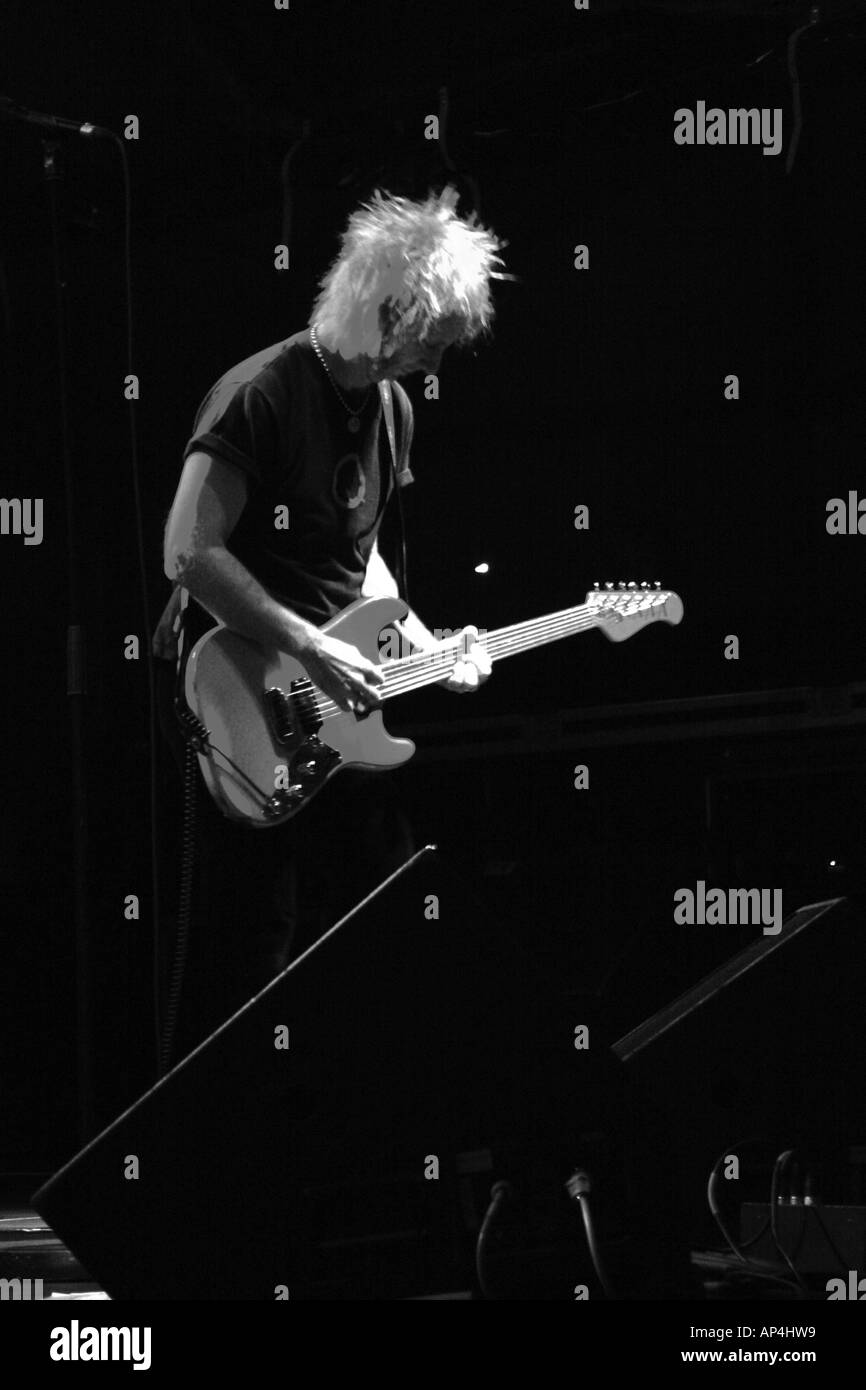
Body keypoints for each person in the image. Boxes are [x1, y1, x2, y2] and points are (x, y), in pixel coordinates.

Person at [152, 185, 508, 1060]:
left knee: (376, 926)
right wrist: (306, 644)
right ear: (390, 313)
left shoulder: (392, 411)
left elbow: (364, 555)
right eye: (431, 341)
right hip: (244, 696)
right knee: (249, 952)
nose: (434, 363)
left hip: (339, 710)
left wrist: (423, 644)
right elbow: (188, 554)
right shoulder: (258, 395)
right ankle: (210, 1164)